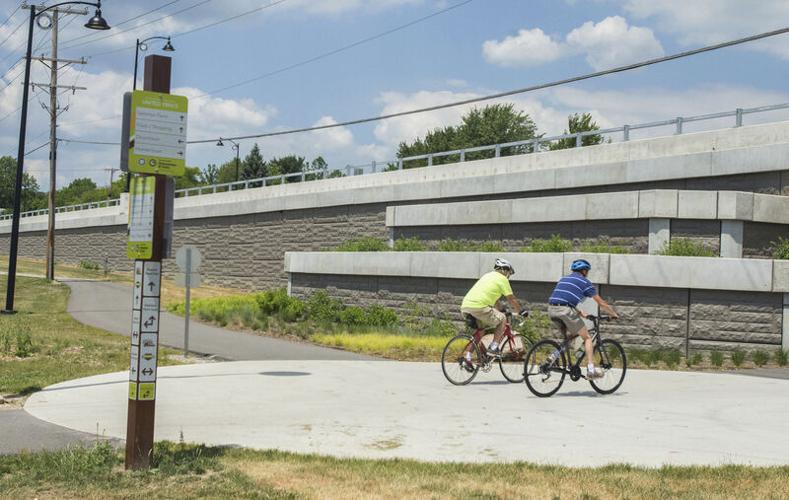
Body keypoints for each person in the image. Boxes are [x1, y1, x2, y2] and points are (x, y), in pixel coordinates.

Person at [547, 259, 619, 378]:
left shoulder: (564, 279)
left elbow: (564, 299)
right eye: (587, 271)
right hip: (565, 311)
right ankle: (591, 370)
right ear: (584, 271)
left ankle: (553, 357)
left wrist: (579, 312)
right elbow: (601, 303)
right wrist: (613, 314)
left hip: (551, 310)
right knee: (587, 338)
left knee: (570, 337)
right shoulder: (585, 282)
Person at [460, 258, 525, 359]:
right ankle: (494, 346)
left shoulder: (487, 276)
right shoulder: (502, 279)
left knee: (480, 331)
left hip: (466, 306)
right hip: (480, 306)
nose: (508, 275)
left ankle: (467, 357)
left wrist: (501, 309)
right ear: (504, 270)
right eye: (508, 272)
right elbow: (511, 299)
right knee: (503, 318)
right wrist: (520, 311)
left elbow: (495, 301)